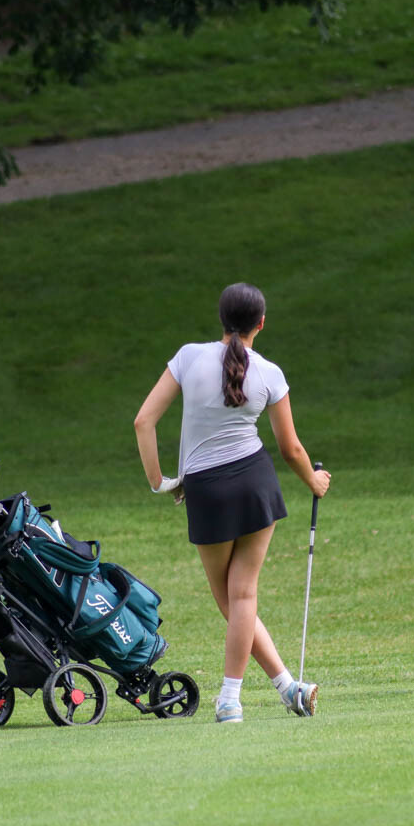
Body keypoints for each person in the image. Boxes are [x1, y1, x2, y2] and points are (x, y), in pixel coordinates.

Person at [134, 282, 332, 723]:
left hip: (206, 491)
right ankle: (280, 689)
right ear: (261, 323)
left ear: (221, 319)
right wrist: (313, 482)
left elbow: (143, 421)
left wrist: (160, 483)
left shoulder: (187, 357)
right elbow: (291, 450)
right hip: (256, 484)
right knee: (241, 598)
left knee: (233, 601)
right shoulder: (270, 372)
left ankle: (235, 698)